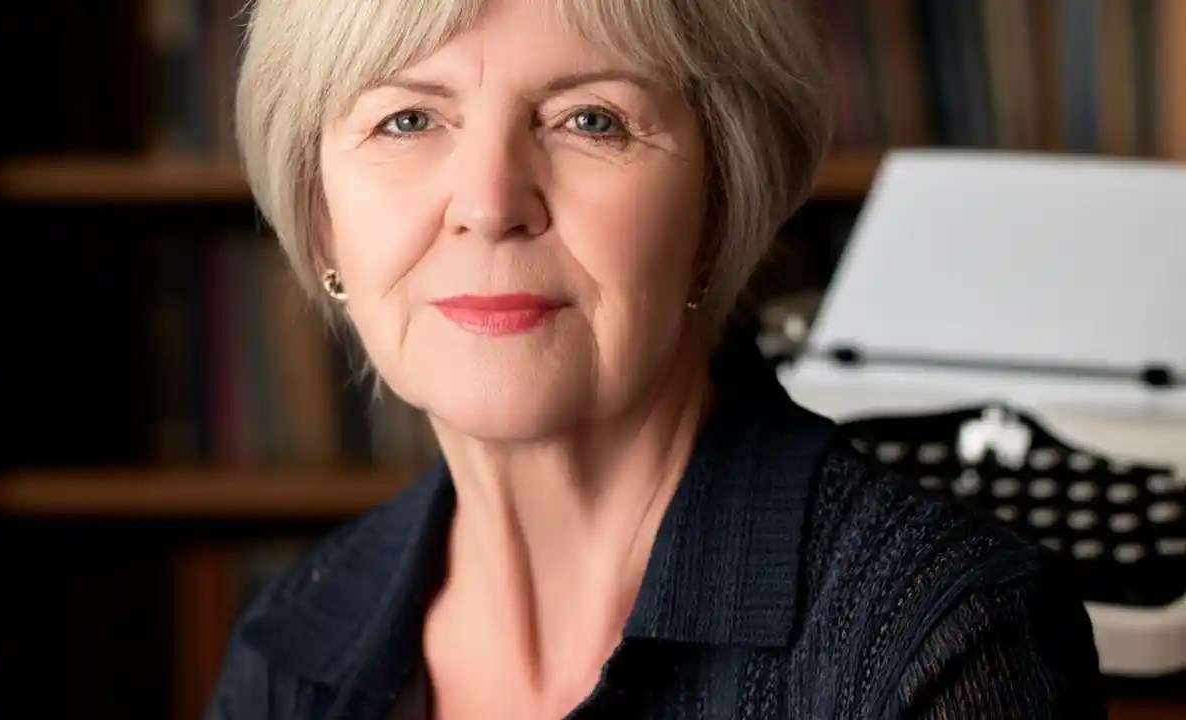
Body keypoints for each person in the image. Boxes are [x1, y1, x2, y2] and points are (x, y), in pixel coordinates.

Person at [204, 0, 1106, 717]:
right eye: (406, 119)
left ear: (718, 201)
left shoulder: (945, 634)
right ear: (322, 216)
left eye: (590, 118)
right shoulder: (290, 647)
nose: (489, 203)